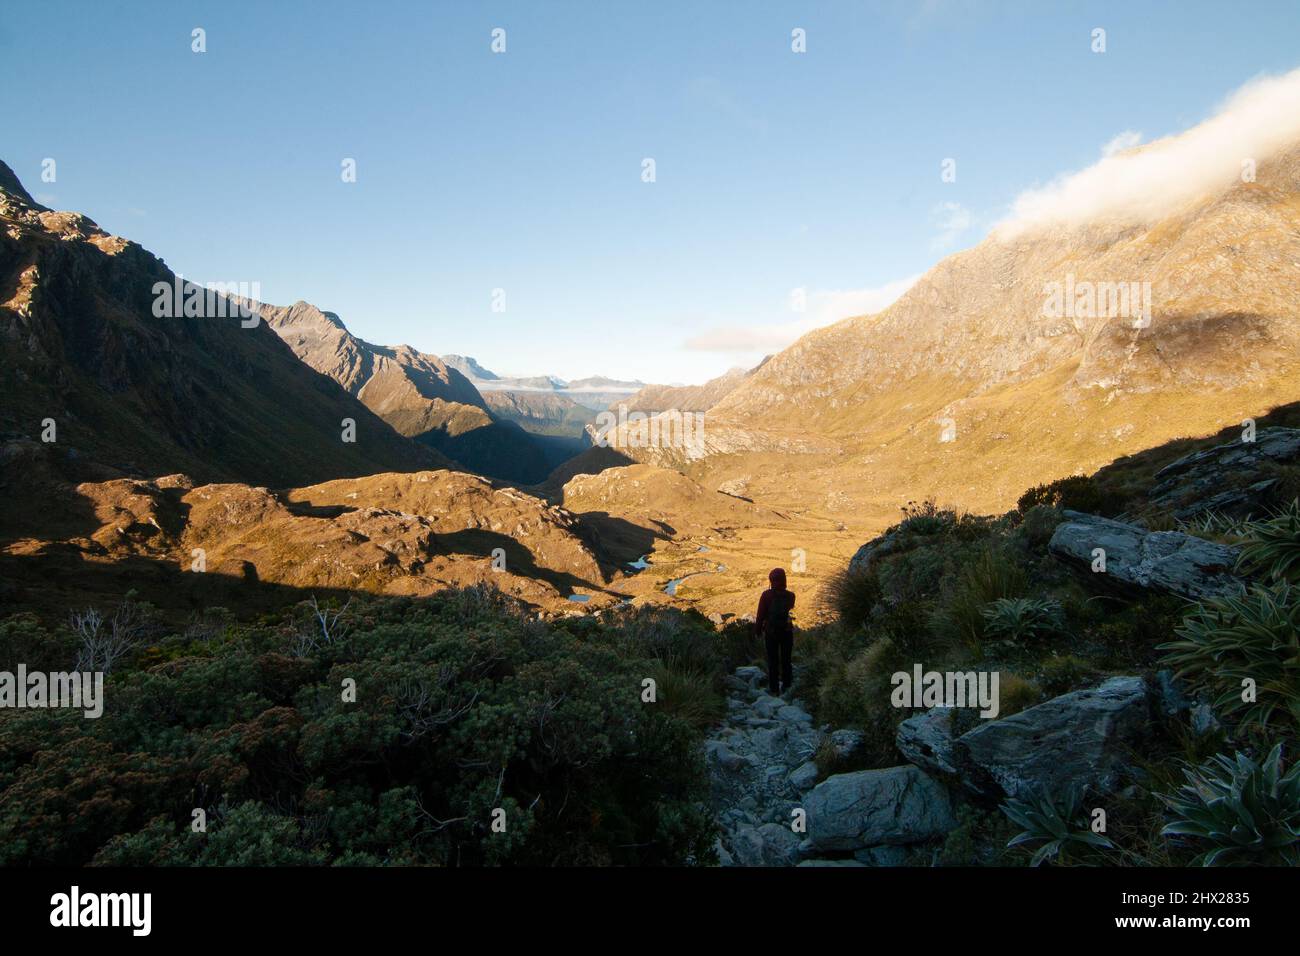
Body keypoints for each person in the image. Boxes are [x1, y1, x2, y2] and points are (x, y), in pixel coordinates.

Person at [754, 567, 795, 695]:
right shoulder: (791, 596)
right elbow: (789, 609)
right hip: (786, 631)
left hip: (771, 632)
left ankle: (774, 688)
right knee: (786, 659)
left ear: (771, 580)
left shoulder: (766, 595)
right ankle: (787, 686)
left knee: (773, 660)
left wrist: (758, 630)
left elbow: (760, 615)